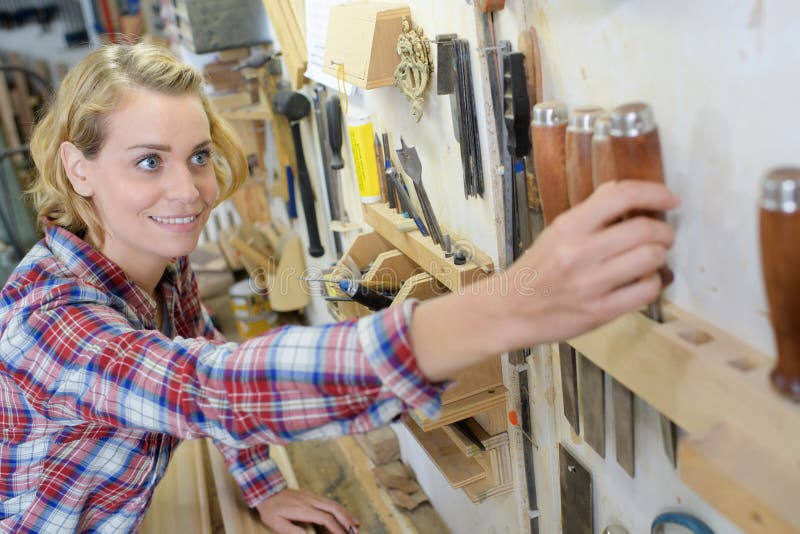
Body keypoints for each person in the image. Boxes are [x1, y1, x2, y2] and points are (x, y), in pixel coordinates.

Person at [0, 43, 678, 533]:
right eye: (149, 161)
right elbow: (212, 387)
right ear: (77, 169)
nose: (188, 190)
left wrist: (263, 489)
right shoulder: (51, 320)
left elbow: (202, 362)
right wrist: (507, 307)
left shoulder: (155, 267)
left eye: (198, 156)